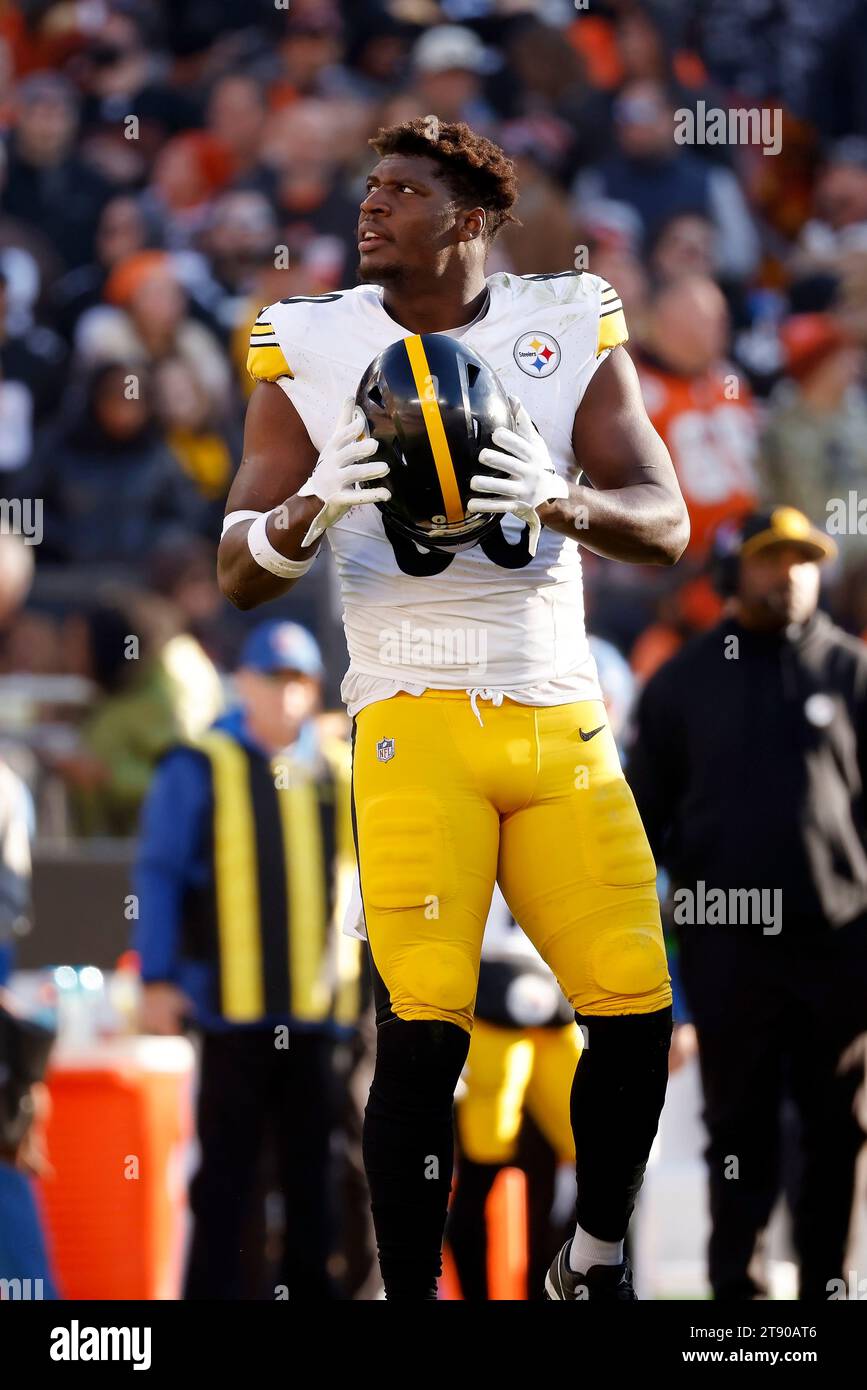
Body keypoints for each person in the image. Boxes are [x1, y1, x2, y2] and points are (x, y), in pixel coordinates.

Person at [218, 118, 689, 1302]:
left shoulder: (569, 316)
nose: (369, 208)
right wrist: (308, 508)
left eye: (400, 192)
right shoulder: (314, 339)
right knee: (424, 1036)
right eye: (367, 188)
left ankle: (594, 1258)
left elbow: (669, 521)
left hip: (559, 715)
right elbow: (235, 563)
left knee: (634, 1009)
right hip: (410, 714)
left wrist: (562, 498)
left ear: (470, 220)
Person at [626, 506, 867, 1300]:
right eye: (772, 558)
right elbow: (638, 841)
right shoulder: (681, 685)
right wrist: (661, 979)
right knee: (737, 1130)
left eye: (804, 559)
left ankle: (828, 1289)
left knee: (836, 1129)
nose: (792, 573)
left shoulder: (851, 673)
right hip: (727, 952)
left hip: (839, 951)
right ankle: (739, 1301)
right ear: (731, 573)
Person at [133, 620, 361, 1300]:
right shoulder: (201, 764)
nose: (286, 696)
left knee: (319, 1184)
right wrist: (158, 978)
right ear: (244, 684)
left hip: (323, 1019)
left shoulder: (342, 772)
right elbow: (159, 875)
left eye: (298, 682)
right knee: (227, 1183)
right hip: (233, 1017)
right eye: (273, 680)